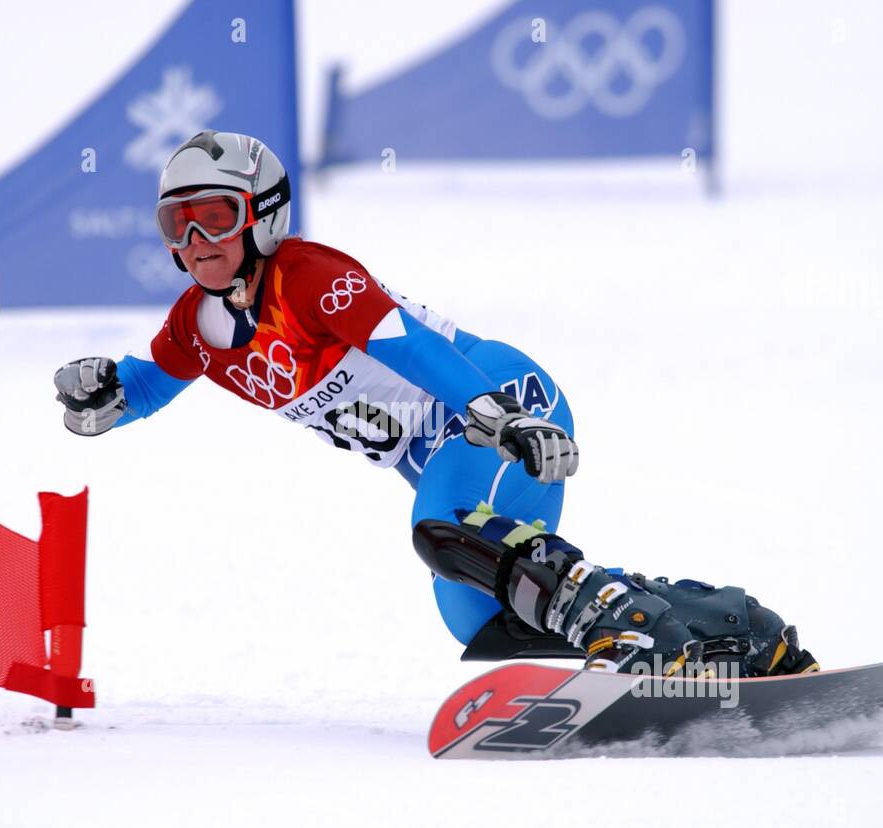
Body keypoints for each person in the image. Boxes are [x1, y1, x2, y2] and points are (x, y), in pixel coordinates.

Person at [54, 130, 816, 677]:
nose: (195, 237)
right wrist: (101, 395)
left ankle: (644, 638)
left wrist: (502, 415)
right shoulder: (197, 326)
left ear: (265, 212)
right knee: (484, 619)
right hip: (455, 441)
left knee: (441, 524)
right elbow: (143, 386)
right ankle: (730, 629)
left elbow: (410, 344)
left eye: (216, 215)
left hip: (494, 400)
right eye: (176, 222)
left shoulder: (308, 276)